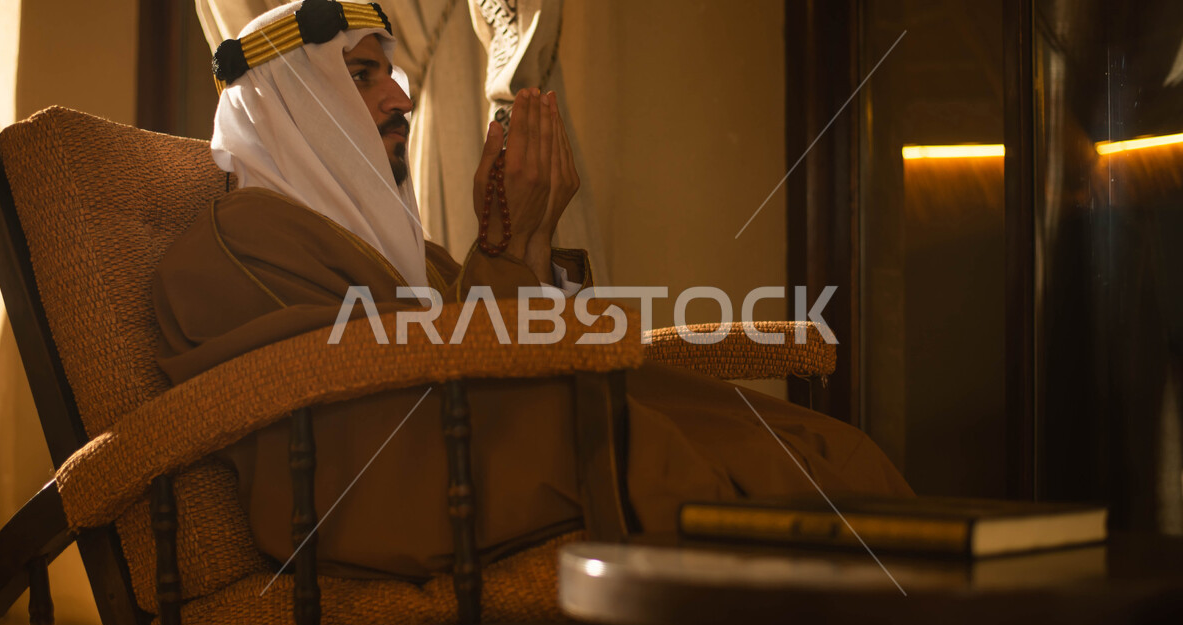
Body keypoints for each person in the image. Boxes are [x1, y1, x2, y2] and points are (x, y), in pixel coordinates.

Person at [154, 0, 911, 581]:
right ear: (290, 107)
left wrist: (521, 235)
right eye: (362, 74)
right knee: (684, 459)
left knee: (810, 443)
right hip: (387, 486)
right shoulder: (230, 241)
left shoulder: (397, 247)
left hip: (461, 437)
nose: (400, 97)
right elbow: (365, 389)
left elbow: (460, 344)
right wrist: (507, 251)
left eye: (391, 71)